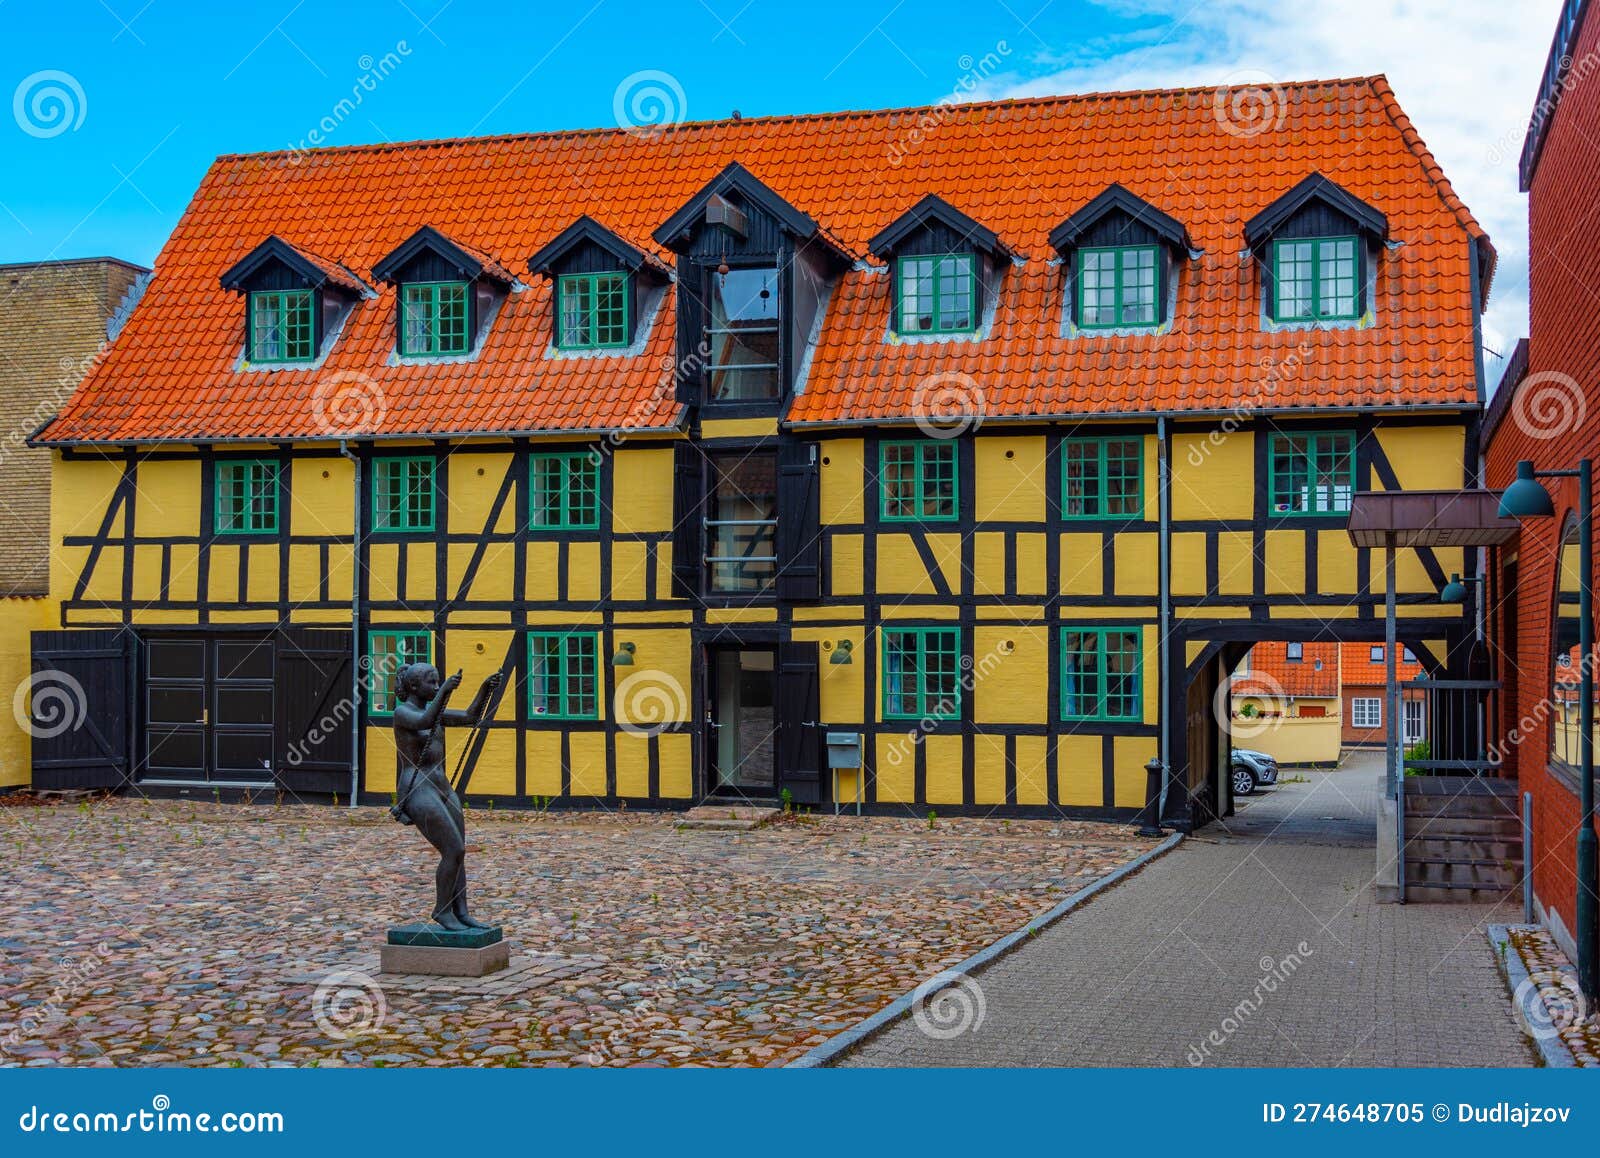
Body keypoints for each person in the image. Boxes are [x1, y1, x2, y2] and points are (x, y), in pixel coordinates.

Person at [389, 662, 503, 931]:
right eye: (432, 682)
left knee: (459, 854)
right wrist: (446, 692)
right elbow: (424, 721)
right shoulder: (403, 713)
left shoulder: (436, 712)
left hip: (443, 787)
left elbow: (470, 717)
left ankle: (461, 911)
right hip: (418, 789)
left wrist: (485, 690)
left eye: (439, 682)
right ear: (414, 686)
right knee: (453, 849)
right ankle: (442, 911)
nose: (437, 687)